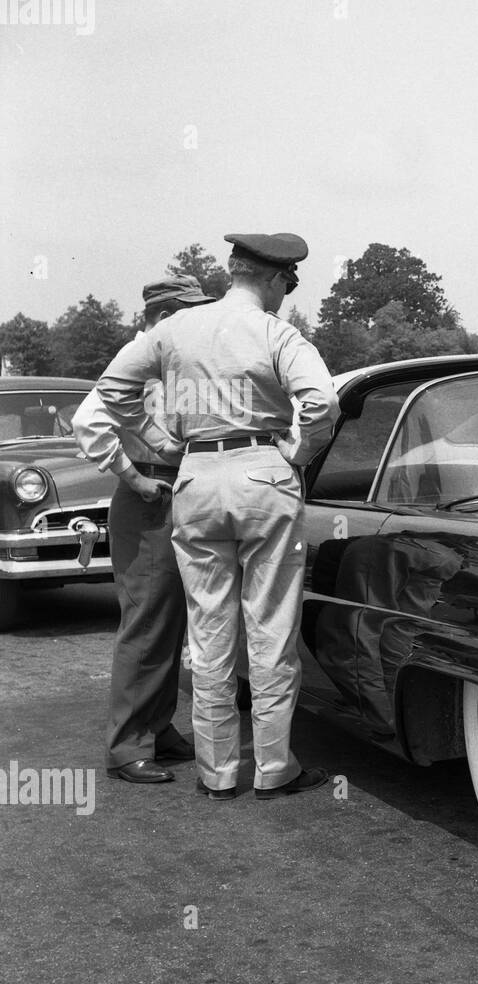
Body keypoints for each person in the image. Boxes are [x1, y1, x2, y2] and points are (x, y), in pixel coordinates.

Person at [95, 232, 339, 800]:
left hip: (195, 478)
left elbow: (113, 389)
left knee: (208, 634)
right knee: (271, 631)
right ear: (277, 280)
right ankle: (274, 770)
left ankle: (218, 772)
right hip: (263, 474)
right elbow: (321, 402)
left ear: (232, 269)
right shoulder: (277, 332)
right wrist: (296, 453)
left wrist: (162, 440)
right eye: (287, 283)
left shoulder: (175, 329)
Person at [73, 274, 214, 784]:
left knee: (170, 621)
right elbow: (89, 420)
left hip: (175, 490)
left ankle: (156, 727)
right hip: (149, 493)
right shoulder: (137, 356)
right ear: (160, 315)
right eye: (184, 313)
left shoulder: (168, 360)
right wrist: (132, 477)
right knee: (146, 621)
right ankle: (127, 744)